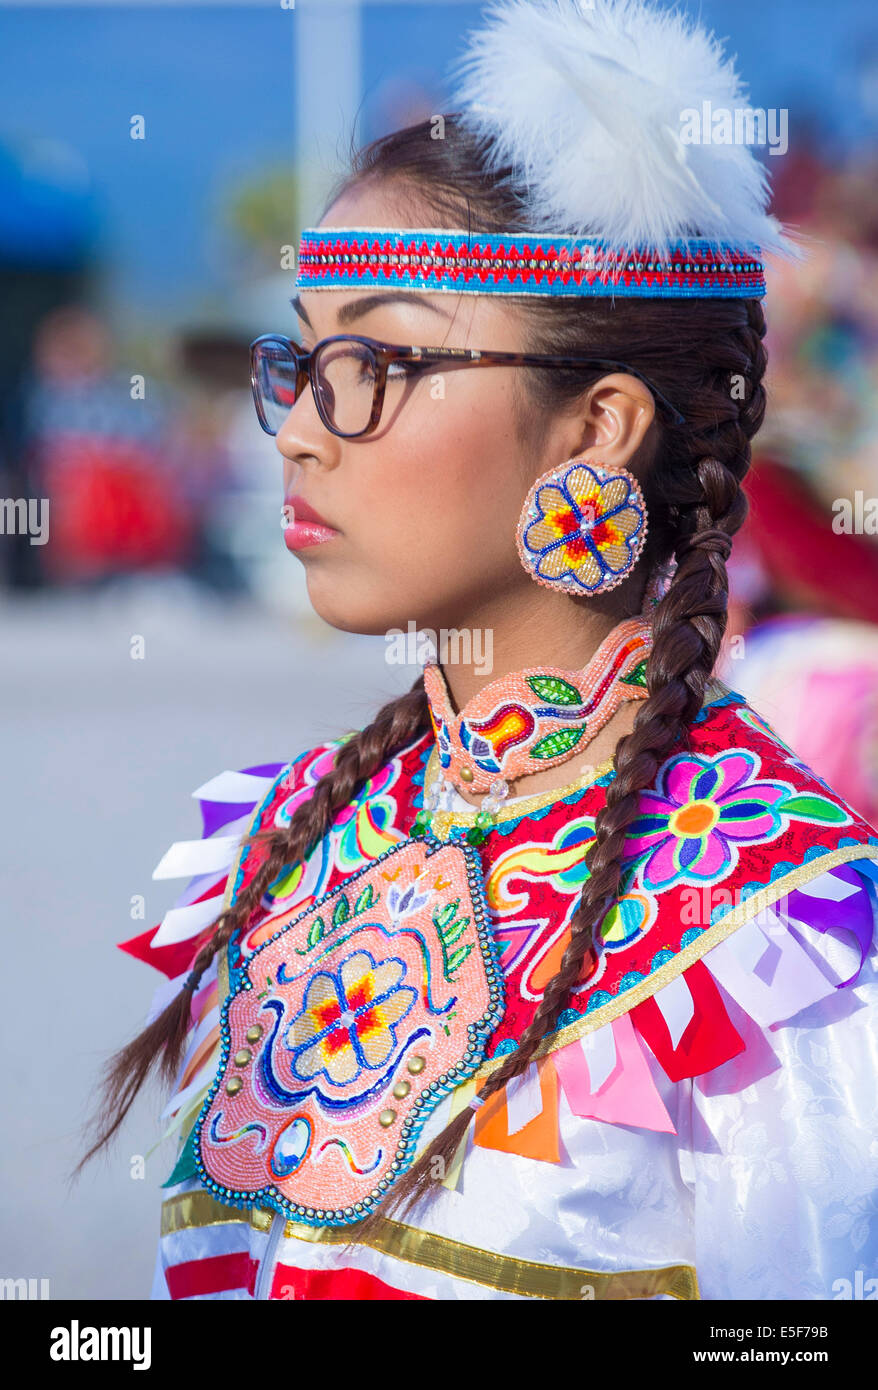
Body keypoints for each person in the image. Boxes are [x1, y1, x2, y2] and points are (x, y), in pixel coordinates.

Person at [79, 0, 878, 1300]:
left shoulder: (777, 945)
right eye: (302, 356)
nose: (294, 430)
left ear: (595, 427)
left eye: (377, 358)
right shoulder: (287, 837)